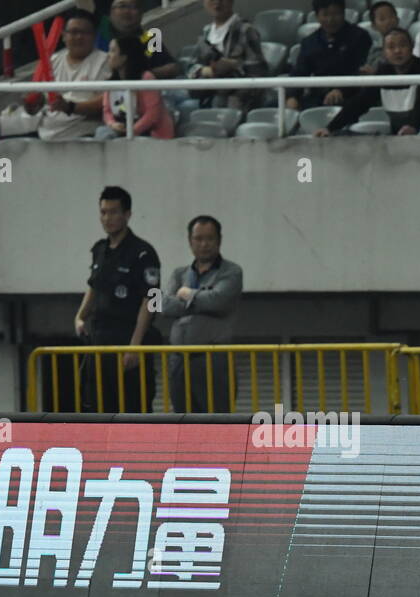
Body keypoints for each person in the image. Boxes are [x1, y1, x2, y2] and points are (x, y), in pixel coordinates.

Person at [72, 186, 164, 412]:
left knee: (134, 411)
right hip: (99, 340)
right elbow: (93, 285)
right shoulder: (100, 249)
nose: (107, 218)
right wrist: (80, 316)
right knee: (98, 408)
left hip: (129, 339)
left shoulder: (143, 252)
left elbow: (152, 299)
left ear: (127, 214)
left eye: (113, 212)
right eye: (103, 212)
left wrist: (135, 346)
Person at [160, 215, 243, 412]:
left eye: (209, 238)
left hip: (212, 358)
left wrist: (187, 295)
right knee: (182, 424)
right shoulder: (179, 273)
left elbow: (219, 301)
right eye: (198, 239)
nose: (204, 244)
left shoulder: (231, 271)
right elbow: (162, 304)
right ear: (190, 241)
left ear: (219, 240)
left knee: (217, 424)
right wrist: (201, 299)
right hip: (179, 358)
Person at [1, 8, 109, 140]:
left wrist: (69, 107)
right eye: (74, 32)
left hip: (83, 135)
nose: (79, 37)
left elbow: (105, 101)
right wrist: (32, 105)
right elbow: (36, 106)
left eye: (85, 32)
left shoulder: (105, 61)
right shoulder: (51, 61)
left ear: (94, 35)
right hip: (46, 134)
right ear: (64, 36)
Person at [317, 28, 420, 135]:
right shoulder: (384, 72)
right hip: (398, 134)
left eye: (402, 45)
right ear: (384, 52)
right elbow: (360, 102)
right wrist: (330, 128)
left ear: (412, 47)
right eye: (391, 47)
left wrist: (414, 127)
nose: (397, 51)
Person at [287, 0, 373, 112]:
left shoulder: (359, 36)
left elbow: (362, 70)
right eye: (325, 14)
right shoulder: (309, 42)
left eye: (335, 14)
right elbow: (299, 72)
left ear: (343, 13)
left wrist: (341, 90)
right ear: (317, 16)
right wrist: (292, 97)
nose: (330, 19)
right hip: (318, 97)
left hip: (352, 95)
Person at [187, 0, 268, 112]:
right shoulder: (206, 32)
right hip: (207, 98)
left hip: (238, 102)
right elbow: (191, 68)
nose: (217, 2)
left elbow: (258, 72)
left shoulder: (246, 30)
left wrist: (235, 66)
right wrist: (209, 71)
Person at [96, 36, 176, 139]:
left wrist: (131, 131)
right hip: (122, 130)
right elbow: (107, 111)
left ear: (124, 57)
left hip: (150, 133)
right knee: (102, 132)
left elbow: (152, 114)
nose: (108, 55)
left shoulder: (146, 78)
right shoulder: (111, 81)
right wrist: (113, 124)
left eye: (112, 51)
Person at [361, 2, 402, 71]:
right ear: (374, 26)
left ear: (397, 19)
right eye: (382, 19)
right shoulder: (374, 50)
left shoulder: (410, 45)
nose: (388, 21)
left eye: (391, 16)